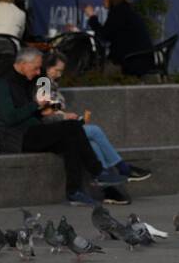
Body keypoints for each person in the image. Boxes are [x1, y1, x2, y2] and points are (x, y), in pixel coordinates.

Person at [0, 47, 121, 206]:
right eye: (36, 67)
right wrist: (35, 105)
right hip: (14, 138)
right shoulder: (3, 84)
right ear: (23, 64)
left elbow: (36, 107)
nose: (39, 72)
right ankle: (98, 171)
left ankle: (74, 192)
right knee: (73, 127)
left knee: (71, 140)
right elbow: (10, 118)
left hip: (31, 131)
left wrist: (45, 111)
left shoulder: (29, 79)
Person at [37, 51, 149, 196]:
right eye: (56, 70)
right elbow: (45, 111)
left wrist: (68, 116)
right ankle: (123, 168)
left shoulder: (50, 83)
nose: (59, 74)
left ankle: (107, 185)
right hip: (52, 128)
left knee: (94, 143)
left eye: (61, 71)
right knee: (95, 131)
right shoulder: (43, 82)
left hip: (60, 125)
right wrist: (65, 116)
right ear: (46, 67)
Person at [82, 0, 153, 76]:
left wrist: (92, 17)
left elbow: (103, 35)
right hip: (141, 59)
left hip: (131, 62)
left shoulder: (118, 13)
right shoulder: (126, 11)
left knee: (91, 74)